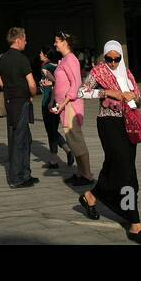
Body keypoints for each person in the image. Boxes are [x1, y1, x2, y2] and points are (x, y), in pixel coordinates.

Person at [75, 41, 141, 244]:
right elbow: (81, 92)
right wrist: (107, 92)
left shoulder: (127, 74)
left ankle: (91, 197)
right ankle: (134, 224)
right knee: (126, 170)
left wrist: (132, 97)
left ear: (121, 57)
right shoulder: (98, 71)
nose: (112, 63)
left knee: (115, 166)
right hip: (108, 123)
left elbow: (140, 100)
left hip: (129, 123)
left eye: (116, 59)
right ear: (104, 57)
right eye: (108, 59)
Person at [0, 27, 38, 189]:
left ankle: (25, 174)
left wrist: (9, 88)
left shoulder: (3, 58)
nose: (26, 42)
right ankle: (16, 178)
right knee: (20, 140)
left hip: (10, 102)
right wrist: (31, 92)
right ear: (18, 40)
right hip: (22, 102)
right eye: (25, 39)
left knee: (24, 137)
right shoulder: (22, 59)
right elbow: (32, 84)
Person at [52, 31, 93, 186]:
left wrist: (62, 103)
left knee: (76, 140)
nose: (55, 44)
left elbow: (75, 84)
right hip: (66, 107)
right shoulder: (64, 60)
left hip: (70, 107)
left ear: (65, 42)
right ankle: (81, 172)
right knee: (72, 140)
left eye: (57, 41)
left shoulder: (71, 60)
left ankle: (87, 174)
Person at [37, 46, 69, 170]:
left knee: (51, 131)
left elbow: (55, 81)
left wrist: (52, 82)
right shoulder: (56, 66)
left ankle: (66, 150)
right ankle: (54, 159)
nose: (39, 55)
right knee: (53, 129)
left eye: (41, 53)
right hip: (58, 102)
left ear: (45, 55)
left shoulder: (45, 67)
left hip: (48, 102)